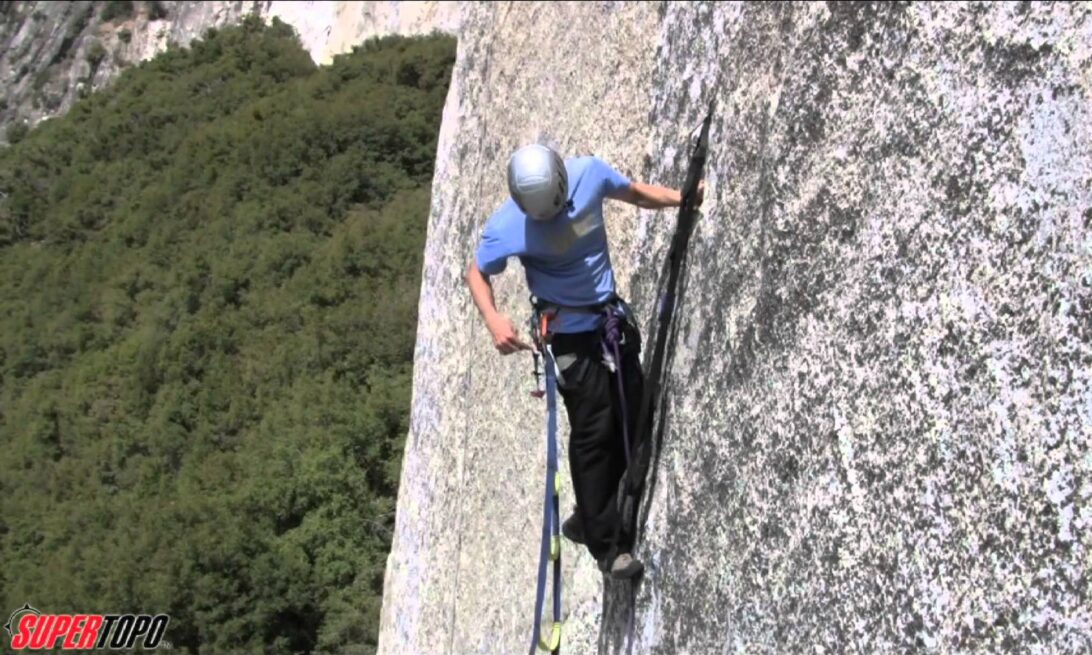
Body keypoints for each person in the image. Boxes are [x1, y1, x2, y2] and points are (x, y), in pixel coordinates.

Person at [465, 143, 702, 579]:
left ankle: (586, 517)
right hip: (570, 337)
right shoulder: (507, 225)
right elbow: (476, 273)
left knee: (633, 414)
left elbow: (633, 193)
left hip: (608, 320)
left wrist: (682, 199)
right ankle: (608, 549)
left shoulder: (589, 174)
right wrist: (493, 319)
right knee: (595, 430)